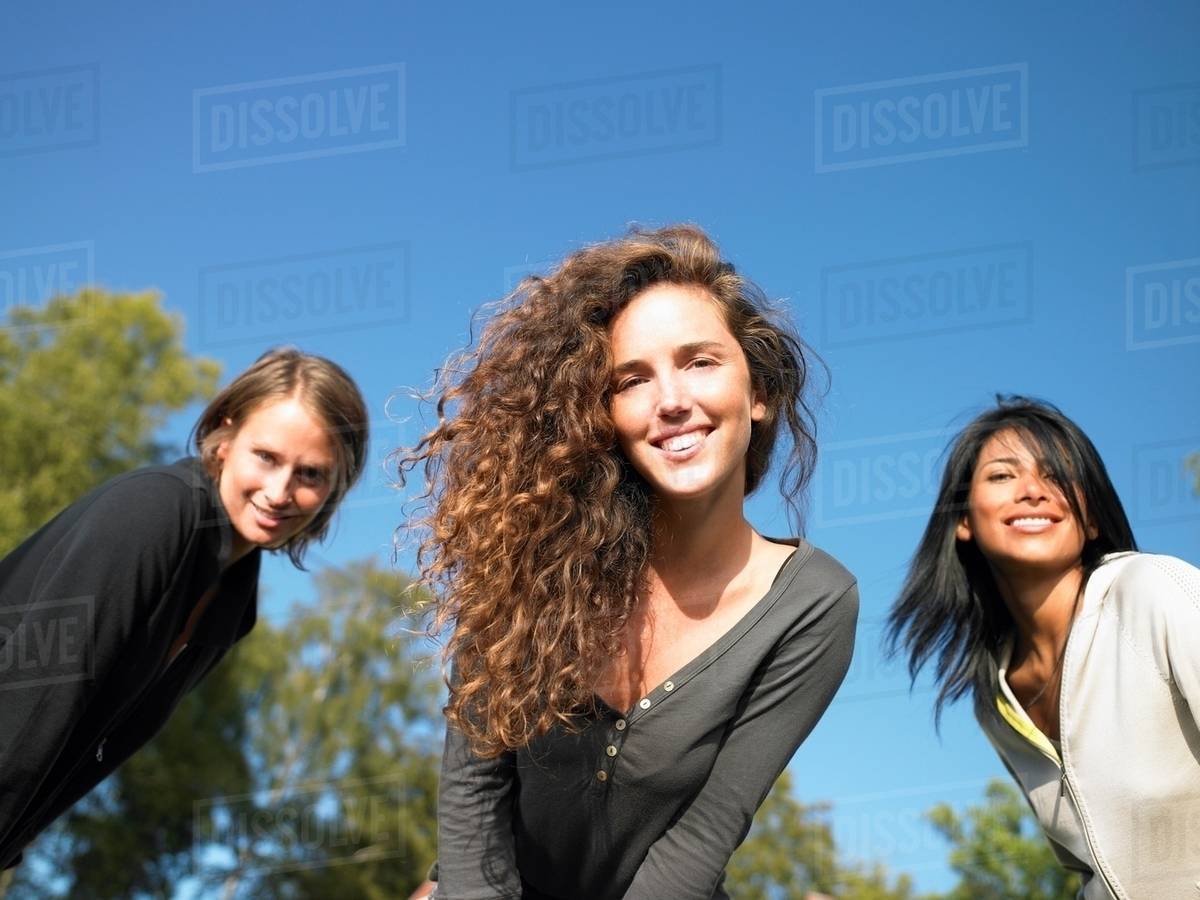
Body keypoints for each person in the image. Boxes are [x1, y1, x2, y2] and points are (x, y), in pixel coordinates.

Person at [400, 225, 859, 900]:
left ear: (758, 392)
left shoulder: (812, 603)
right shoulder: (535, 549)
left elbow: (704, 838)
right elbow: (476, 779)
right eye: (633, 379)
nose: (671, 400)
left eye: (699, 362)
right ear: (602, 415)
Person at [0, 347, 369, 870]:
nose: (279, 491)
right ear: (226, 434)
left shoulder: (233, 601)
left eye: (310, 474)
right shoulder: (154, 513)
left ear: (335, 487)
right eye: (266, 457)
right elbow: (33, 701)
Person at [887, 397, 1200, 898]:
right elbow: (1090, 870)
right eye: (1002, 476)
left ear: (1092, 519)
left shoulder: (1154, 591)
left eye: (1057, 475)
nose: (1033, 491)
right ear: (963, 520)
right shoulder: (996, 697)